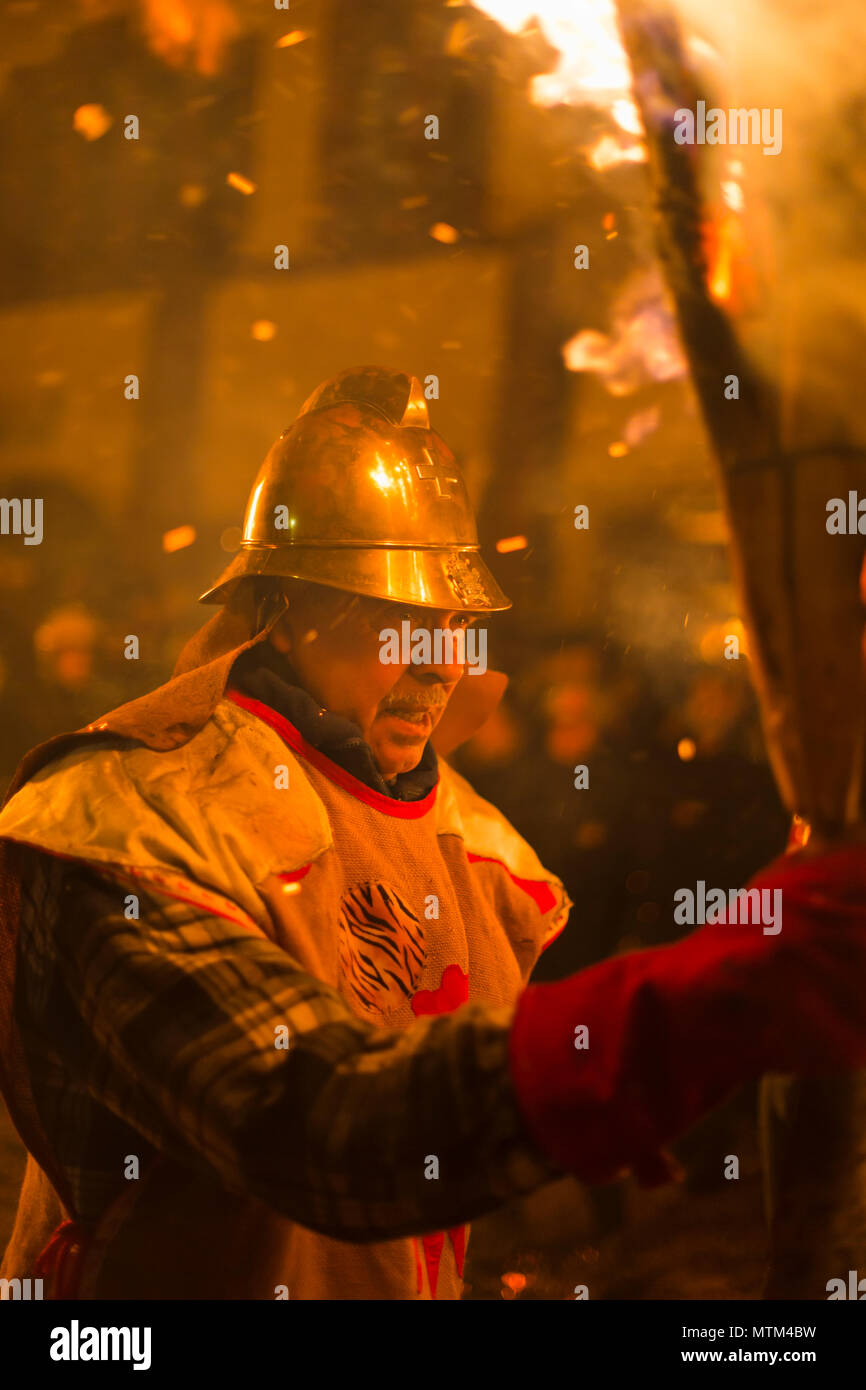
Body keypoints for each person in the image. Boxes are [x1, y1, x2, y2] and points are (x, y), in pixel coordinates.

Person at [1, 366, 865, 1301]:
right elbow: (320, 1125)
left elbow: (457, 1204)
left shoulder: (484, 854)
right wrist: (693, 1002)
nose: (445, 666)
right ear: (284, 614)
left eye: (457, 621)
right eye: (402, 620)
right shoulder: (126, 822)